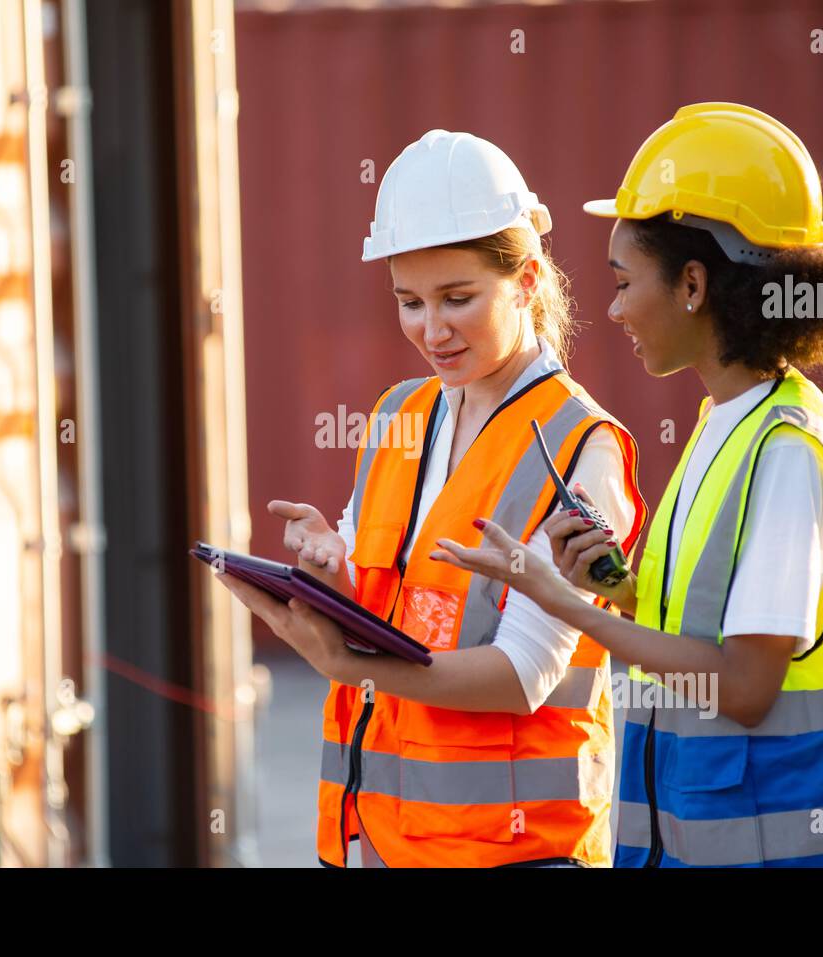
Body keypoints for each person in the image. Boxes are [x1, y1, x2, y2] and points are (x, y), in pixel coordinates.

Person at [432, 103, 823, 867]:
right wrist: (611, 583)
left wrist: (566, 606)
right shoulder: (725, 421)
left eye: (624, 281)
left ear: (693, 284)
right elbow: (702, 624)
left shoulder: (787, 450)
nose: (612, 308)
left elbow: (742, 686)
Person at [218, 130, 647, 867]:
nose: (431, 329)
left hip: (519, 851)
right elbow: (390, 609)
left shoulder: (582, 447)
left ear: (529, 280)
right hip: (385, 838)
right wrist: (329, 573)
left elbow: (524, 676)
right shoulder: (397, 416)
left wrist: (352, 666)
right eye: (409, 301)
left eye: (458, 298)